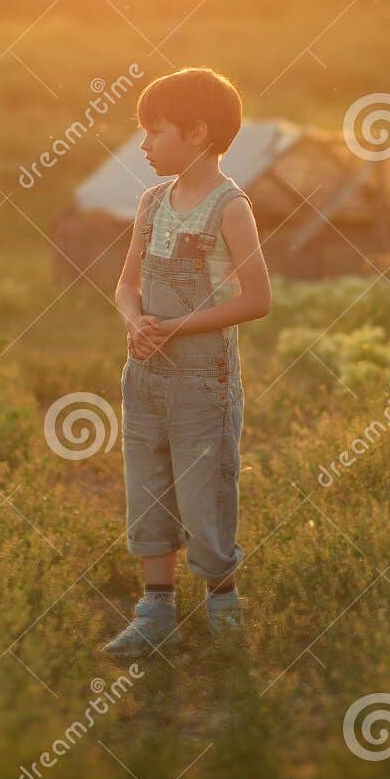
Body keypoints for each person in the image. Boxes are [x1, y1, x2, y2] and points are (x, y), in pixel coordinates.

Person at [105, 67, 272, 657]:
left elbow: (256, 300)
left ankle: (223, 603)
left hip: (204, 380)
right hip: (145, 375)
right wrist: (137, 323)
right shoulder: (152, 203)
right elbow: (126, 286)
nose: (144, 145)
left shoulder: (231, 208)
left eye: (155, 132)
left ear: (197, 133)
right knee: (147, 487)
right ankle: (156, 609)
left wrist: (172, 327)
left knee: (206, 492)